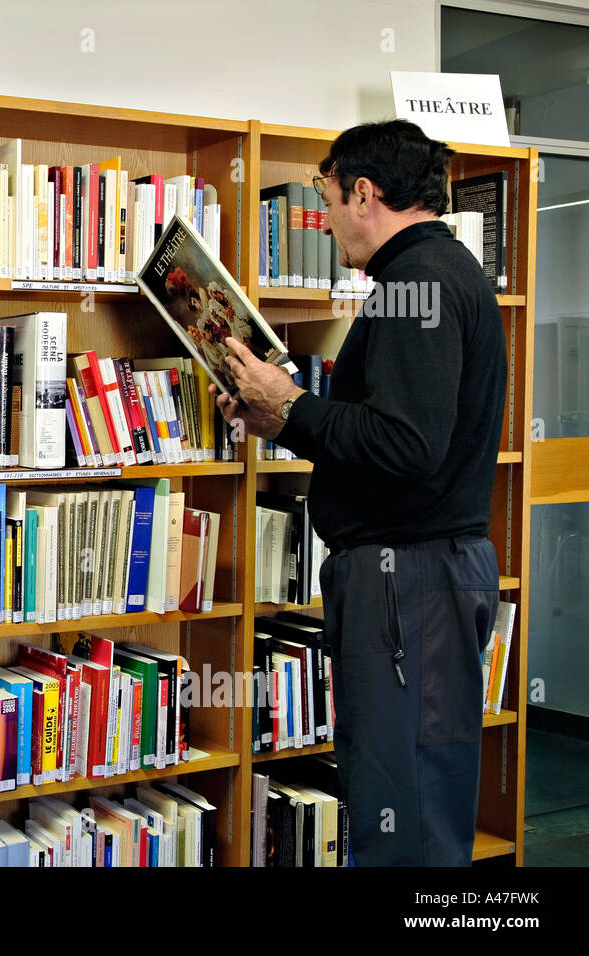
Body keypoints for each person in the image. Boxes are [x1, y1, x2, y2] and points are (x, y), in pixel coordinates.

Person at [211, 119, 505, 866]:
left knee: (401, 810)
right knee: (409, 790)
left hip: (408, 581)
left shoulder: (419, 283)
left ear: (364, 192)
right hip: (417, 577)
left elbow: (406, 445)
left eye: (327, 196)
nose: (328, 216)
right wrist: (280, 415)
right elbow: (391, 435)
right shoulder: (442, 271)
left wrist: (294, 405)